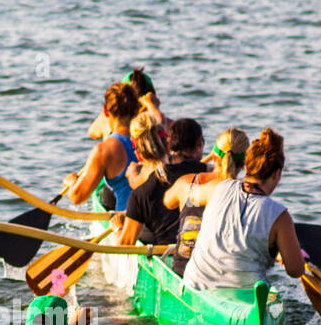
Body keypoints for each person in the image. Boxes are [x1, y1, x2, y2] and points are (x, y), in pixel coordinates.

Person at [180, 128, 306, 289]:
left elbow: (191, 196)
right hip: (243, 295)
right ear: (277, 174)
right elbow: (295, 270)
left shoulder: (216, 187)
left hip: (195, 284)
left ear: (246, 167)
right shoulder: (280, 216)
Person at [162, 126, 248, 274]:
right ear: (245, 163)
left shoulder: (187, 183)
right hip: (224, 274)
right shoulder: (247, 196)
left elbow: (168, 201)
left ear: (214, 157)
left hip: (183, 268)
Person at [117, 117, 210, 247]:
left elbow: (124, 247)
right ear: (168, 146)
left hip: (169, 257)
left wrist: (118, 229)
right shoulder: (200, 169)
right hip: (203, 250)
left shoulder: (139, 195)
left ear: (138, 155)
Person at [62, 81, 139, 213]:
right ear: (137, 110)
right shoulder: (153, 137)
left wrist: (72, 182)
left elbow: (77, 197)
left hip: (128, 221)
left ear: (105, 111)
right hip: (159, 220)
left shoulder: (104, 150)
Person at [87, 67, 166, 140]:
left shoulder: (107, 121)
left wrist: (109, 111)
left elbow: (92, 132)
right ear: (154, 96)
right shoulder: (158, 122)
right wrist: (153, 106)